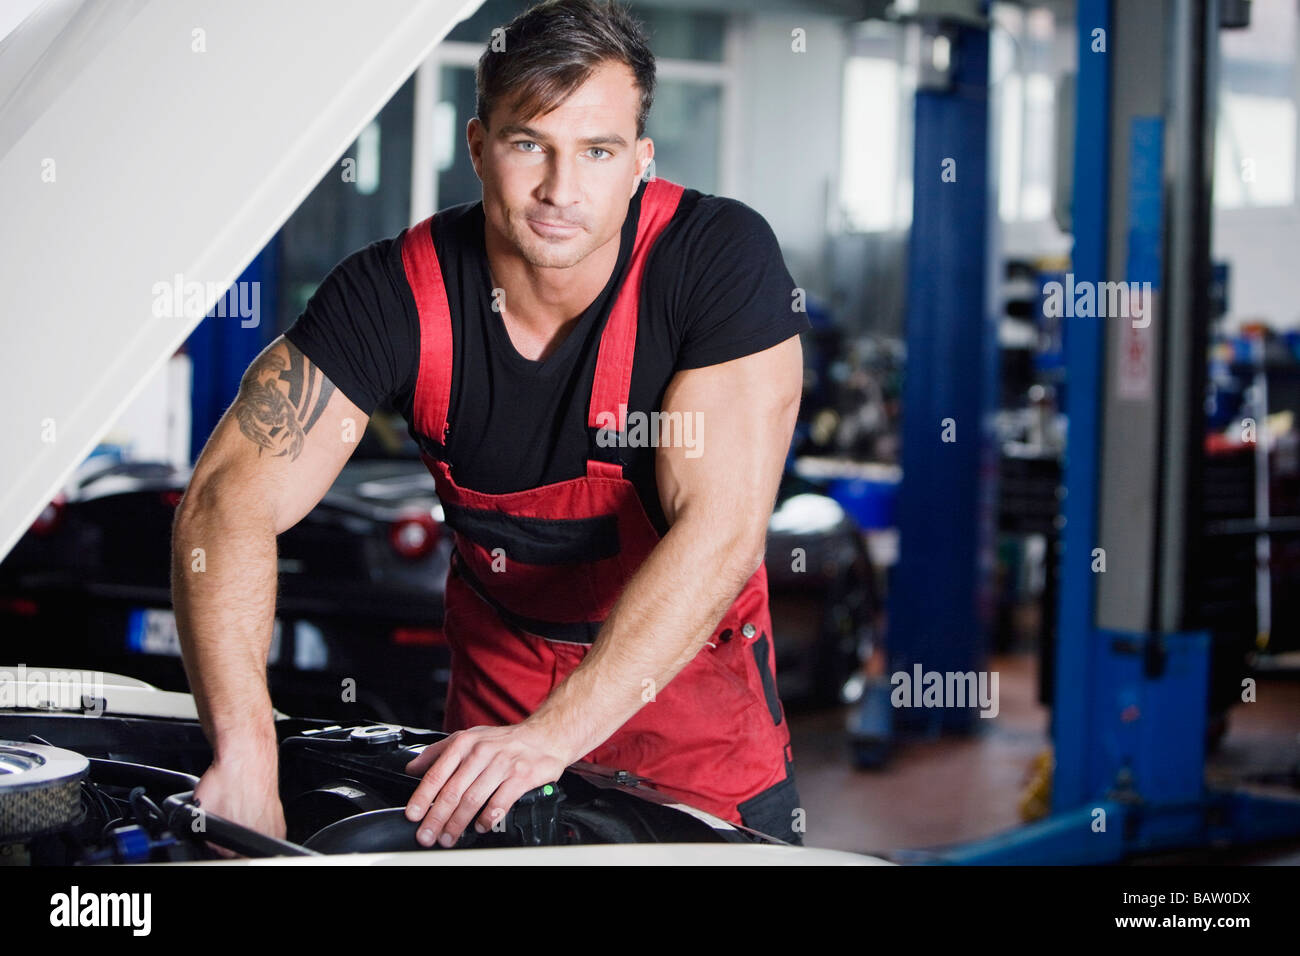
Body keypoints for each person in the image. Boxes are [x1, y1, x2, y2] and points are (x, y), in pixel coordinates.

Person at [172, 0, 809, 850]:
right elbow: (225, 503)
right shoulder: (394, 294)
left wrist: (551, 739)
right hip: (485, 758)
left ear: (640, 163)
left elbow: (722, 530)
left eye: (597, 151)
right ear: (476, 146)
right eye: (527, 144)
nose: (560, 190)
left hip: (699, 752)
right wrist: (247, 753)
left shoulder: (712, 261)